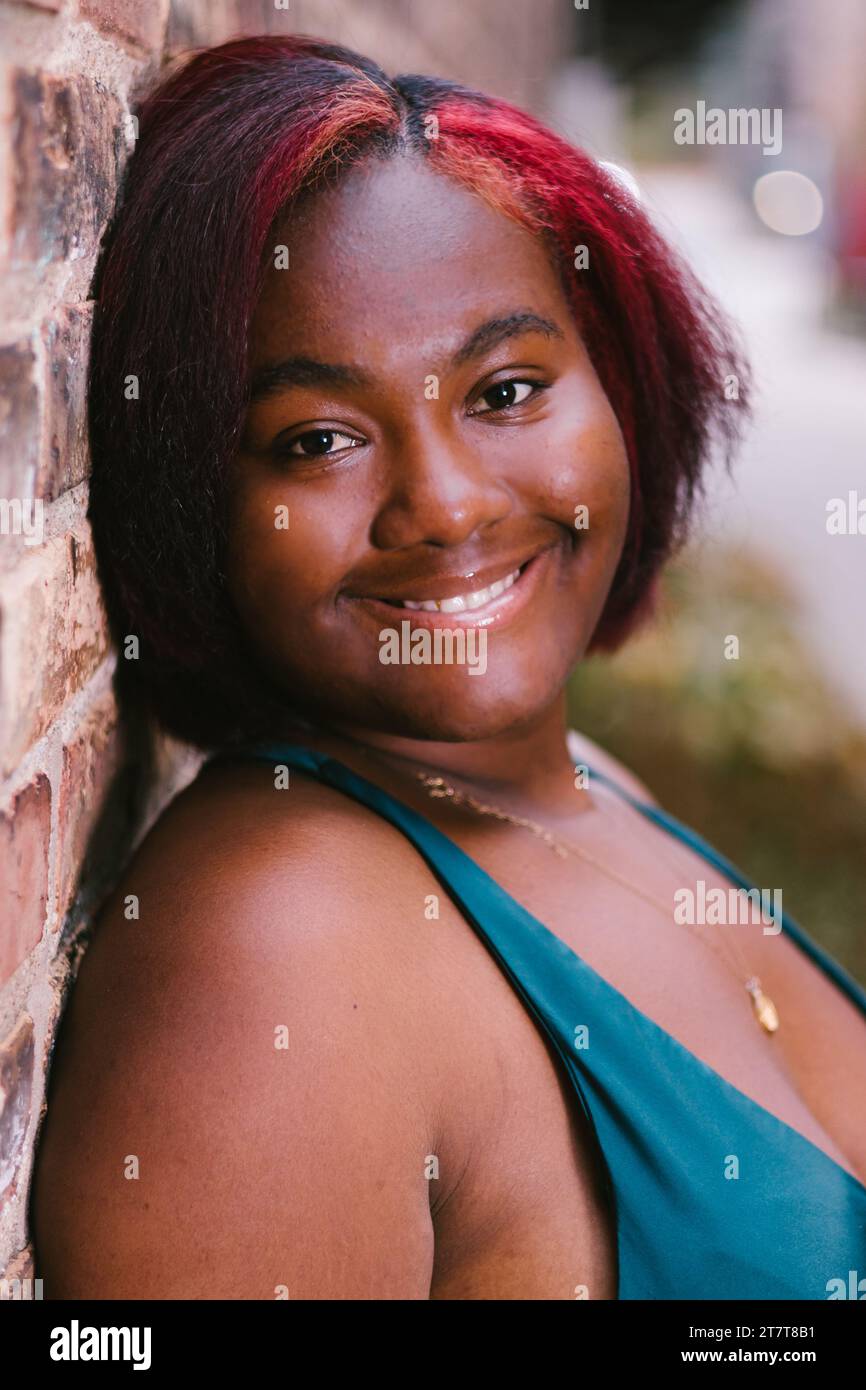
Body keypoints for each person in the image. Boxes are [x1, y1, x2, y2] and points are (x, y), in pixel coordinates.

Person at [31, 34, 866, 1300]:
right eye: (317, 438)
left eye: (507, 389)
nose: (447, 502)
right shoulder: (280, 947)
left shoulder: (582, 777)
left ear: (623, 387)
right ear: (197, 494)